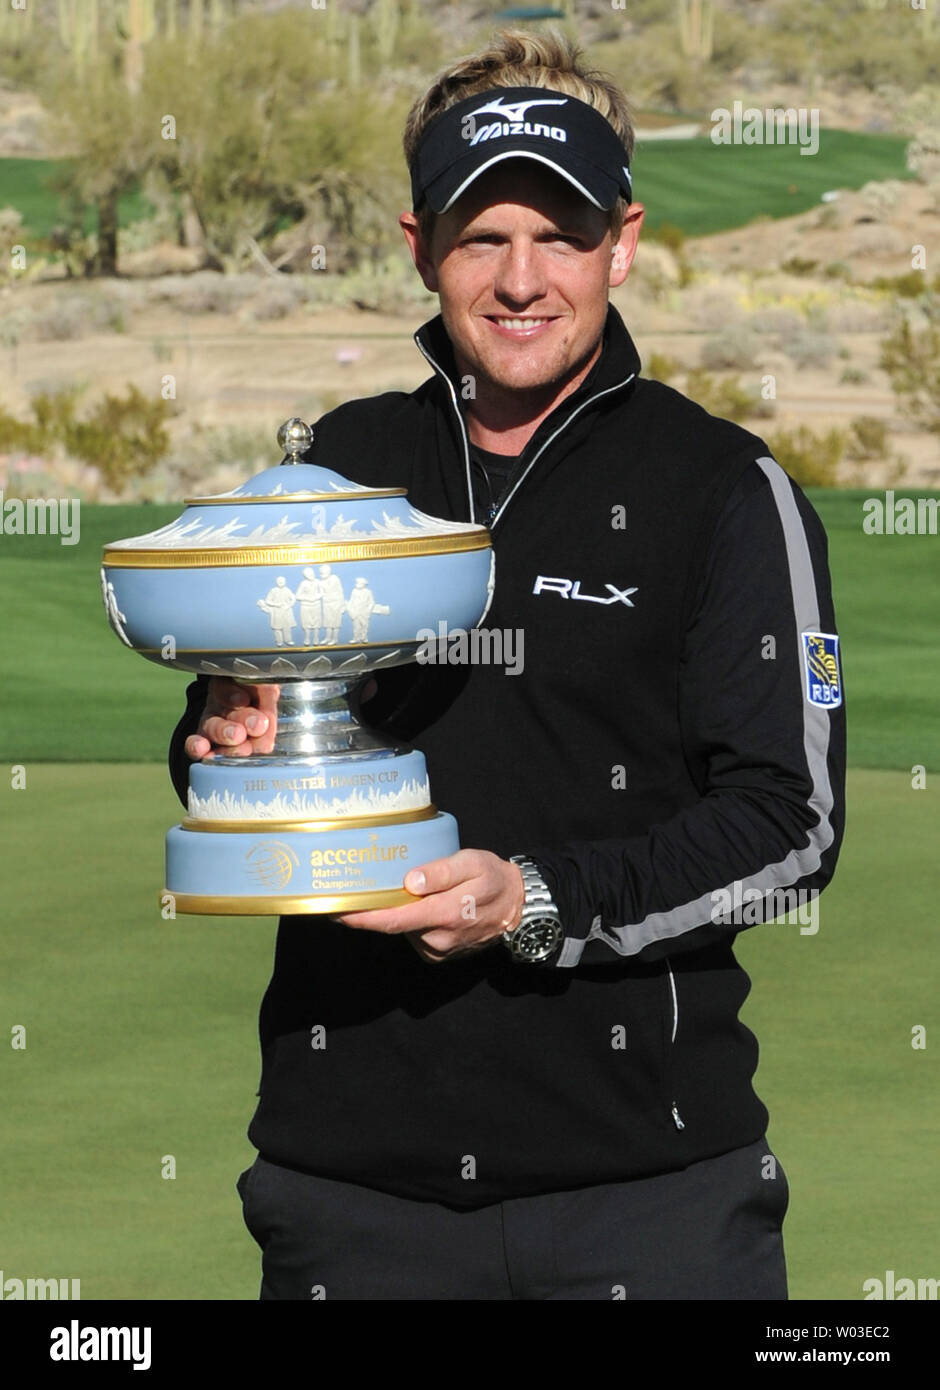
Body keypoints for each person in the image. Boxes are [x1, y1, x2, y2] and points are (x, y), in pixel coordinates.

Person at [168, 29, 846, 1300]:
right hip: (350, 1195)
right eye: (483, 237)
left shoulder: (722, 488)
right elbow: (241, 724)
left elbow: (789, 828)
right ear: (421, 247)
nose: (522, 278)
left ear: (623, 244)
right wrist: (223, 728)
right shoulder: (340, 463)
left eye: (562, 234)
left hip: (647, 1202)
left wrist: (529, 902)